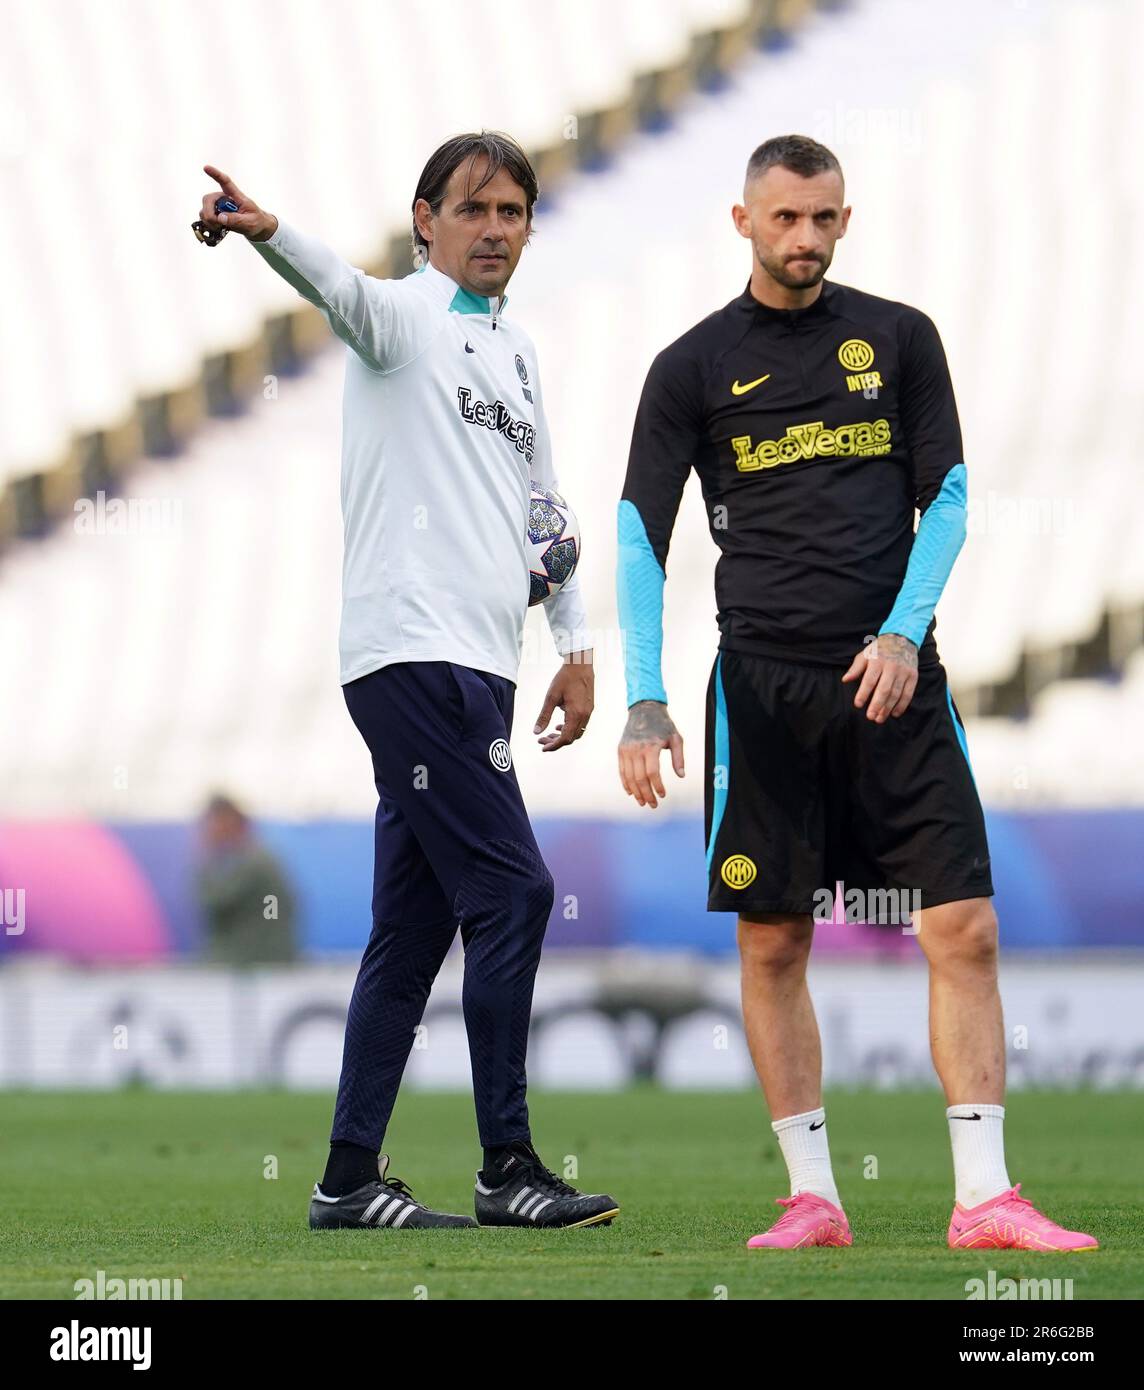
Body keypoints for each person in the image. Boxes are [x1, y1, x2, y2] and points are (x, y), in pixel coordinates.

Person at [615, 134, 1096, 1252]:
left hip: (895, 683)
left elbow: (954, 497)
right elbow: (641, 533)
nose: (806, 239)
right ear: (743, 223)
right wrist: (644, 695)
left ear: (843, 219)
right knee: (773, 943)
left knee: (963, 926)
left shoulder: (899, 338)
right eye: (785, 219)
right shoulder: (690, 366)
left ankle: (983, 1198)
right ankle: (813, 1197)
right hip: (762, 689)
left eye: (824, 218)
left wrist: (900, 632)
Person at [197, 132, 618, 1231]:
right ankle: (507, 1167)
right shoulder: (398, 322)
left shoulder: (518, 353)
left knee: (412, 931)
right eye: (473, 209)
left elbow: (546, 510)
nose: (494, 229)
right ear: (424, 220)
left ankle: (346, 1179)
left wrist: (574, 644)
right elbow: (335, 283)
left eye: (513, 212)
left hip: (478, 665)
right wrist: (267, 230)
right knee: (516, 892)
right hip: (410, 659)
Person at [195, 793, 297, 966]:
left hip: (255, 960)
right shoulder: (258, 857)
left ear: (229, 822)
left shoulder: (254, 862)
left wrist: (205, 858)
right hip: (263, 957)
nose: (210, 829)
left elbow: (215, 901)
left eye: (213, 822)